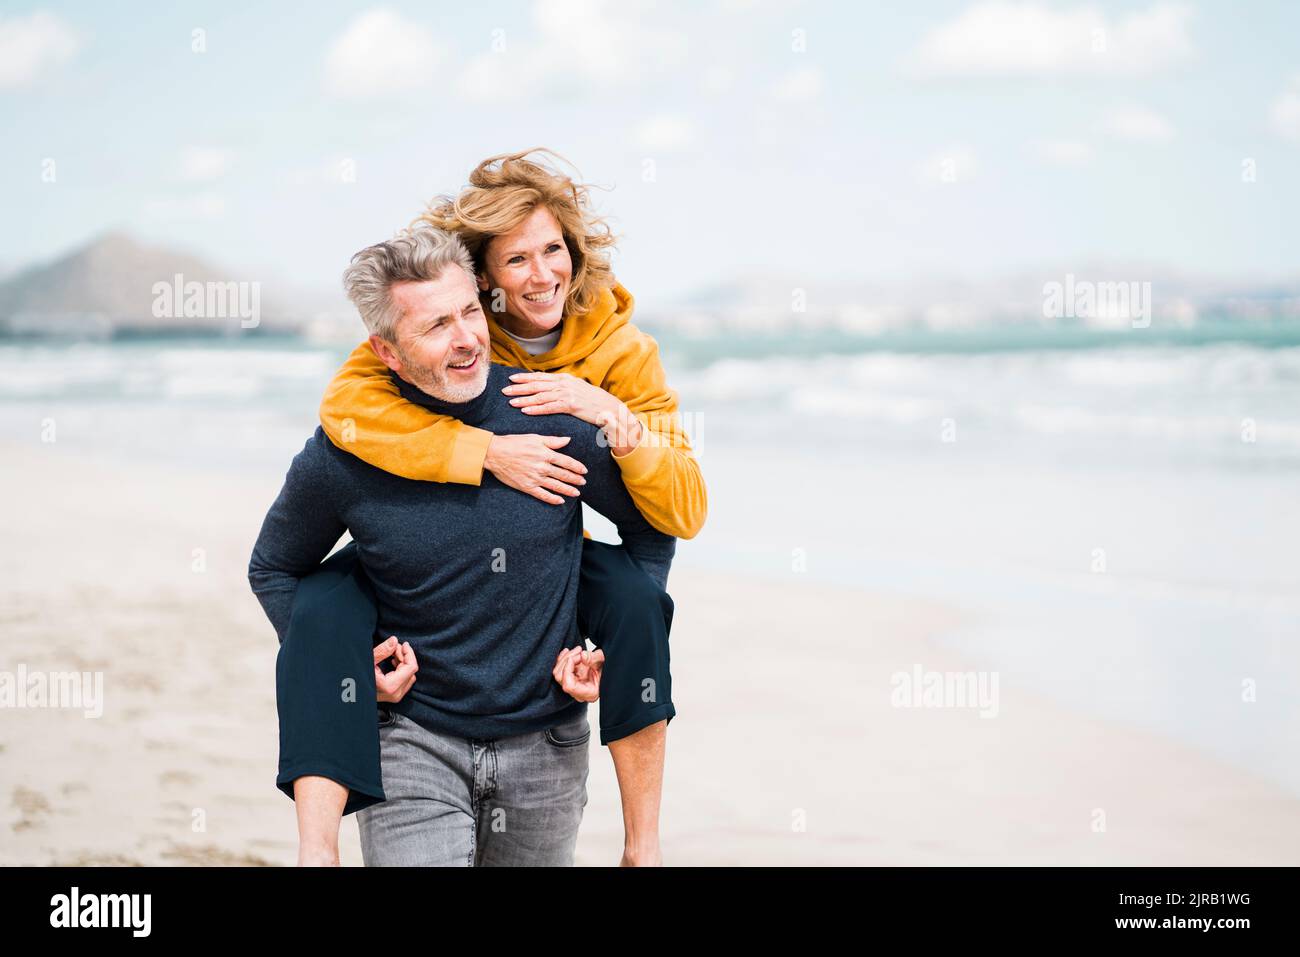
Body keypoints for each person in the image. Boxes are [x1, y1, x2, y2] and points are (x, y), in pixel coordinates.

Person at [312, 149, 706, 865]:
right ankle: (319, 838)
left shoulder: (622, 350)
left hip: (547, 551)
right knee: (329, 597)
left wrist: (613, 416)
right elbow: (347, 408)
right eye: (517, 259)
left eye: (552, 249)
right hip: (441, 556)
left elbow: (680, 506)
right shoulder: (451, 327)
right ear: (481, 278)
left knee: (636, 603)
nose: (542, 274)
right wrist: (482, 452)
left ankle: (643, 845)